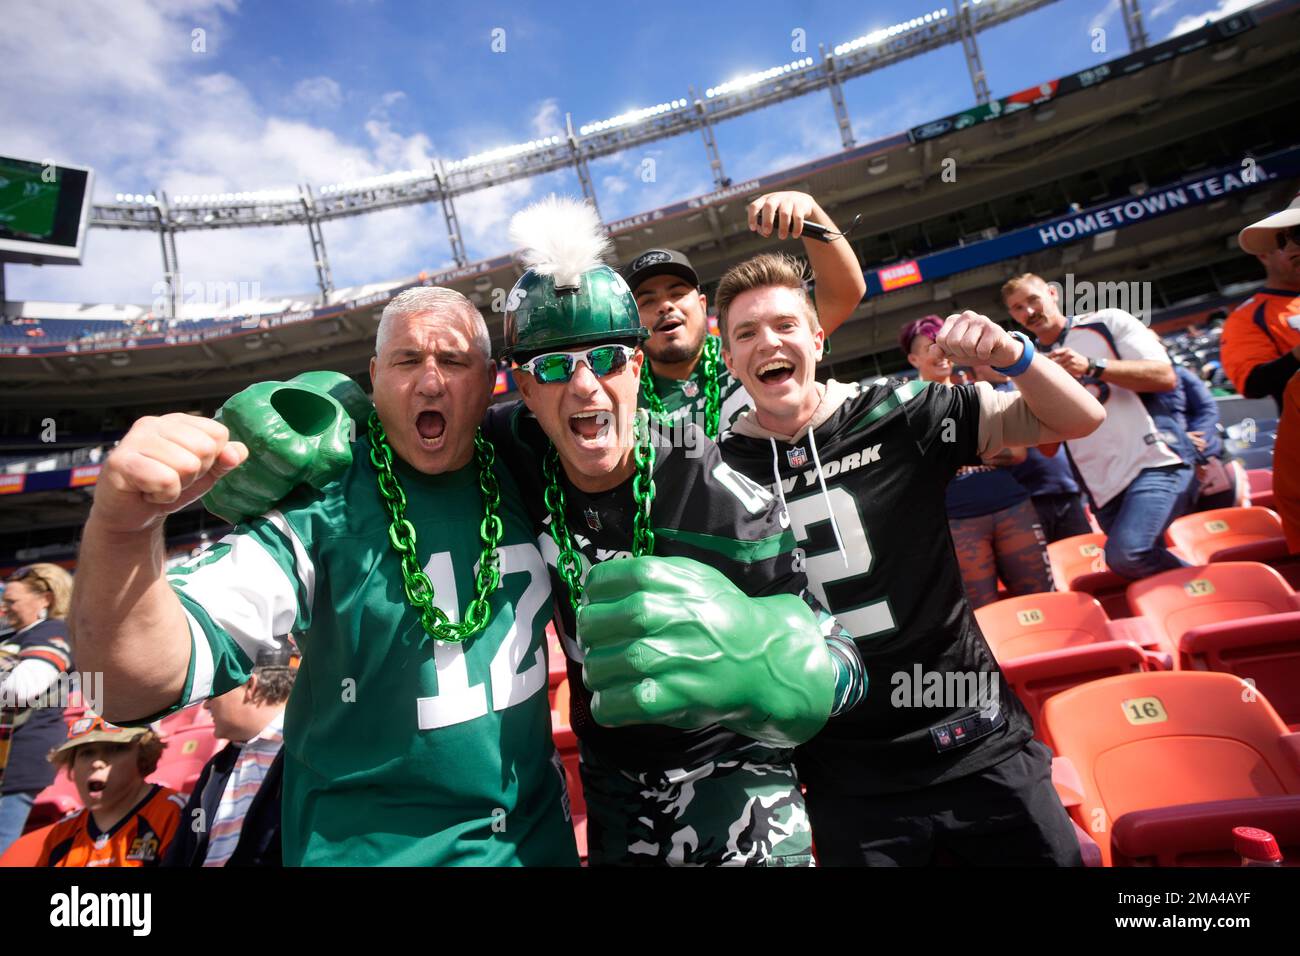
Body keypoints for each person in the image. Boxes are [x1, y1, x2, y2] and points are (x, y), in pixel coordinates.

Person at [218, 198, 866, 866]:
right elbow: (419, 412)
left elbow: (845, 660)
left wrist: (771, 662)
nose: (585, 387)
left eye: (609, 359)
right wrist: (329, 406)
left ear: (637, 370)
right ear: (523, 389)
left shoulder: (716, 490)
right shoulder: (513, 450)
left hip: (741, 800)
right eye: (555, 367)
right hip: (616, 802)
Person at [71, 289, 580, 866]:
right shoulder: (319, 511)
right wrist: (122, 529)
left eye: (455, 361)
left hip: (538, 850)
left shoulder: (531, 465)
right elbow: (128, 684)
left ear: (490, 378)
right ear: (373, 377)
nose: (431, 383)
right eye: (407, 361)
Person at [716, 252, 1104, 865]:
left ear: (817, 338)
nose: (769, 341)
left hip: (978, 744)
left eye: (786, 325)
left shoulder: (902, 412)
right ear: (729, 358)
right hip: (850, 779)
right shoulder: (716, 470)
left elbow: (1080, 417)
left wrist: (1015, 357)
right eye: (746, 333)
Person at [625, 190, 865, 439]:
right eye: (648, 300)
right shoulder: (623, 391)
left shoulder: (751, 348)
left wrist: (811, 209)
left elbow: (843, 294)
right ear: (632, 320)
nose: (665, 306)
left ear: (702, 303)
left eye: (677, 293)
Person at [1003, 272, 1194, 579]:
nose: (1028, 312)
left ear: (1052, 294)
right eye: (1017, 308)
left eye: (1033, 300)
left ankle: (1213, 583)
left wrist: (1092, 366)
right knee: (1138, 567)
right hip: (1101, 487)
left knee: (1128, 555)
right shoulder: (1028, 367)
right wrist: (1044, 394)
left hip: (1155, 460)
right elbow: (1048, 448)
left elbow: (1164, 377)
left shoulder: (1106, 321)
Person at [900, 316, 1053, 608]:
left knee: (1043, 600)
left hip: (1012, 507)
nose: (939, 353)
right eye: (929, 346)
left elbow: (1018, 453)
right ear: (914, 358)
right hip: (958, 520)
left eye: (942, 344)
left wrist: (953, 454)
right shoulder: (907, 408)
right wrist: (984, 449)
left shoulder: (977, 393)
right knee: (983, 612)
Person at [164, 643, 294, 867]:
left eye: (212, 693)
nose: (205, 706)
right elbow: (181, 853)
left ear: (250, 686)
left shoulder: (303, 754)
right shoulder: (217, 767)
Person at [36, 714, 184, 867]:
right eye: (87, 753)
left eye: (115, 749)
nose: (97, 763)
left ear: (143, 756)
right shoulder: (61, 834)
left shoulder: (175, 813)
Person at [0, 563, 75, 854]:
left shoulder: (52, 631)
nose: (5, 609)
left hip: (18, 761)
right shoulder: (16, 638)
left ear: (45, 599)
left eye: (12, 602)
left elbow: (23, 689)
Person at [1221, 192, 1300, 410]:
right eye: (1283, 242)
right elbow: (1253, 384)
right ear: (1265, 256)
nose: (1293, 249)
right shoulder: (1248, 316)